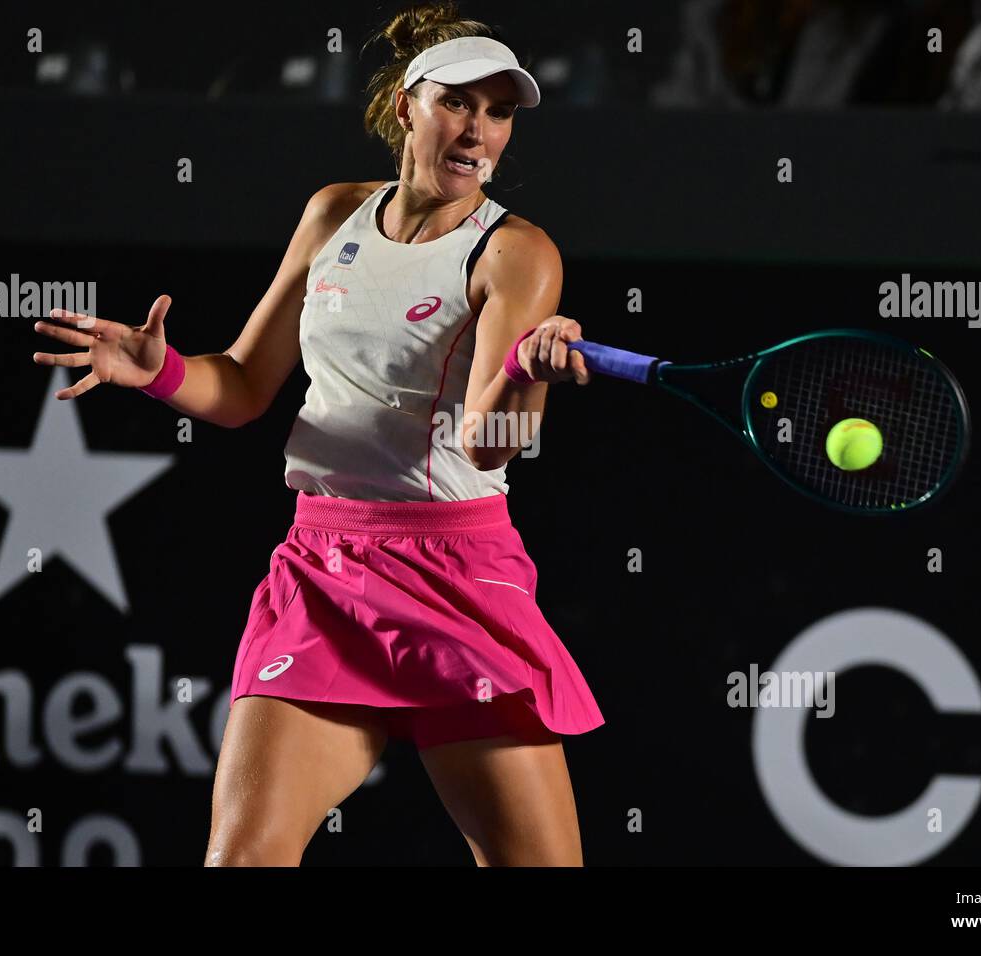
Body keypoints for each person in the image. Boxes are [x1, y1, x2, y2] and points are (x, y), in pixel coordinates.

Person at [30, 2, 603, 866]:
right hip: (324, 572)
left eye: (499, 112)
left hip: (460, 578)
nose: (478, 131)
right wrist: (163, 372)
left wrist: (530, 370)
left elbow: (490, 443)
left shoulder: (517, 254)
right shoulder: (333, 213)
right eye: (458, 103)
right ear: (407, 105)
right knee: (243, 859)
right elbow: (245, 385)